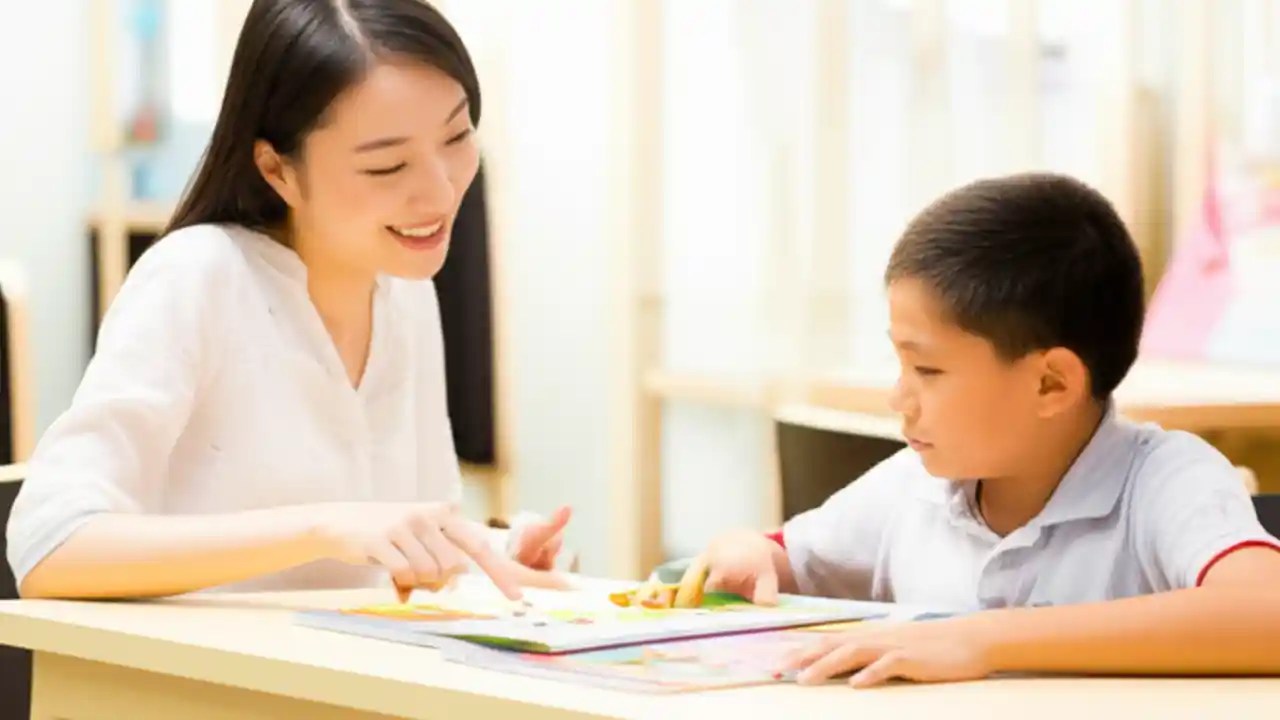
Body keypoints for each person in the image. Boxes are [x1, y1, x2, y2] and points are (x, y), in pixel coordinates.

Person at [7, 0, 569, 600]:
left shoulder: (405, 289)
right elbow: (50, 548)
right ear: (278, 170)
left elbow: (404, 539)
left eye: (457, 136)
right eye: (387, 166)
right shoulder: (199, 276)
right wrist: (322, 526)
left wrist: (491, 554)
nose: (439, 190)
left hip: (341, 682)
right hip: (195, 689)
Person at [692, 173, 1280, 687]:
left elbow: (1268, 616)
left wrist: (982, 639)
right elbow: (787, 557)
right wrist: (748, 553)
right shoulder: (914, 487)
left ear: (1052, 383)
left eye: (927, 369)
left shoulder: (1163, 479)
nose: (899, 395)